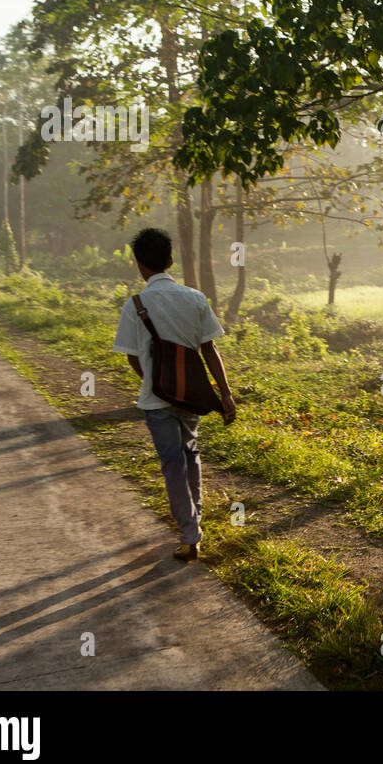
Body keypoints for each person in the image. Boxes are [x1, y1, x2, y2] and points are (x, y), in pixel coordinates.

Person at [112, 227, 236, 562]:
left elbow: (131, 356)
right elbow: (209, 350)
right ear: (170, 260)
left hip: (157, 401)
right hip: (192, 397)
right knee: (191, 454)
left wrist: (154, 380)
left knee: (172, 464)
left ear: (140, 265)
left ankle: (189, 534)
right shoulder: (195, 299)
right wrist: (224, 393)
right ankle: (194, 522)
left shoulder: (135, 304)